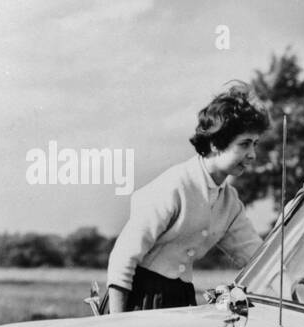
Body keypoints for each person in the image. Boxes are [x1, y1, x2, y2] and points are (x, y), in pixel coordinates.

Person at [106, 83, 270, 311]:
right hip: (137, 300)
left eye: (255, 144)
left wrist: (292, 300)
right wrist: (114, 325)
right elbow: (123, 258)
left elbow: (258, 259)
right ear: (215, 143)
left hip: (181, 299)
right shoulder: (174, 185)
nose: (252, 155)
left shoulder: (229, 203)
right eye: (244, 144)